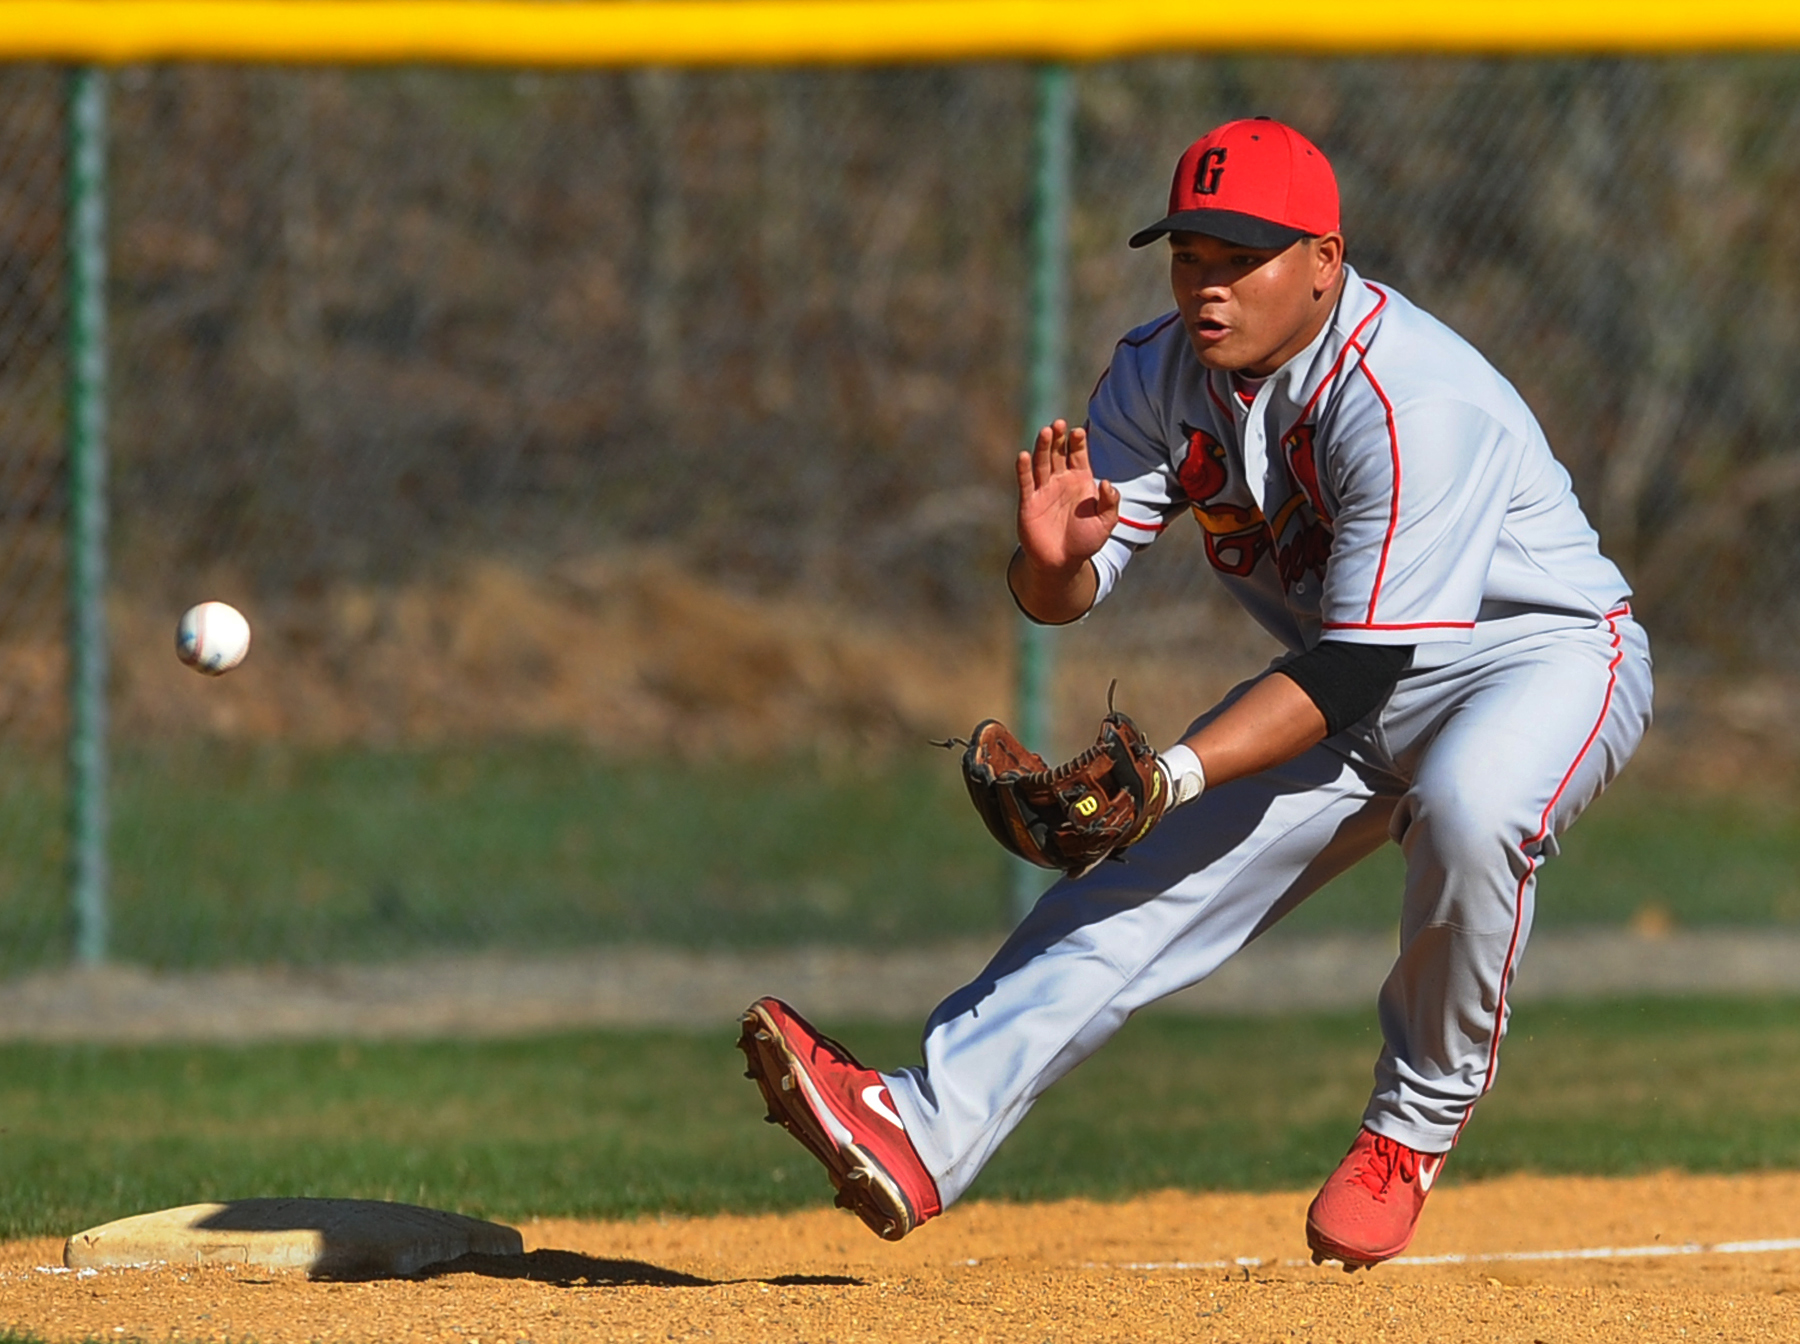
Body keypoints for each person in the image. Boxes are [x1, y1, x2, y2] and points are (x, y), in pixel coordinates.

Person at [738, 117, 1653, 1268]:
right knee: (1139, 884)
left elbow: (1359, 668)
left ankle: (1411, 1129)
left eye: (1242, 258)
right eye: (1190, 256)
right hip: (1347, 679)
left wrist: (1171, 773)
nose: (1208, 286)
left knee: (1471, 808)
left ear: (1324, 259)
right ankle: (921, 1128)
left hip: (1536, 659)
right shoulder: (1158, 371)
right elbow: (1068, 594)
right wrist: (1053, 563)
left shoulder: (1412, 397)